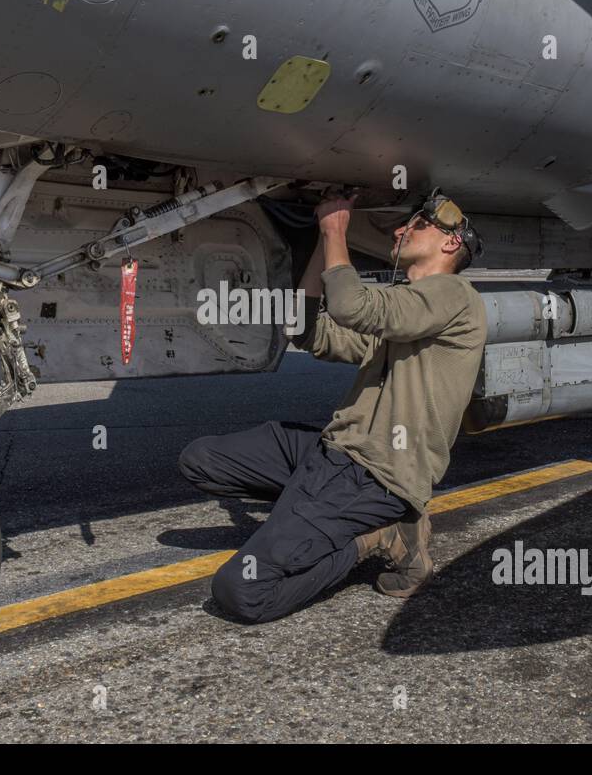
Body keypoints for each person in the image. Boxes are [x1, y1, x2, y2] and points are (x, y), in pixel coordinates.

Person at [178, 188, 487, 622]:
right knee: (200, 460)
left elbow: (350, 305)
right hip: (331, 451)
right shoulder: (406, 311)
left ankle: (377, 537)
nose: (400, 229)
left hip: (375, 475)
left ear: (451, 242)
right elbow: (305, 332)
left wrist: (334, 226)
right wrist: (324, 246)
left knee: (241, 591)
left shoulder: (455, 296)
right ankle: (315, 517)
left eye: (416, 224)